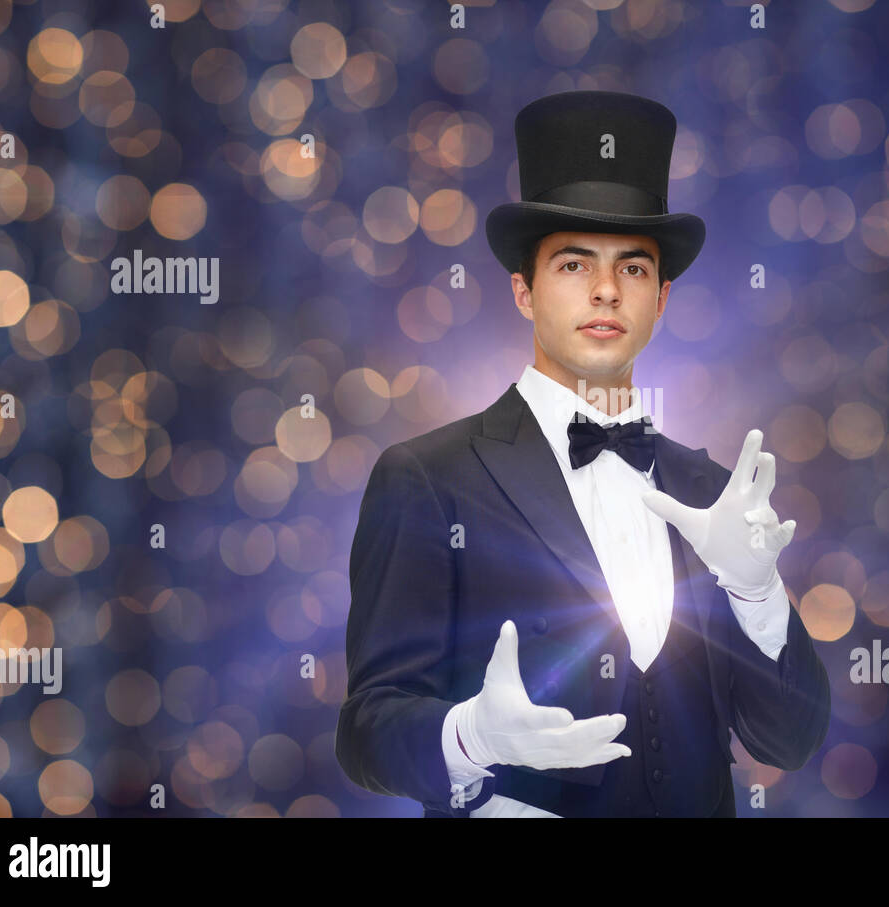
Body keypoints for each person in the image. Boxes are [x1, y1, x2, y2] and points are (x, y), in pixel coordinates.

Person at [337, 90, 830, 817]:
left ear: (661, 299)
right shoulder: (429, 479)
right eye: (573, 264)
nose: (605, 290)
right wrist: (470, 736)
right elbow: (366, 731)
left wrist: (757, 596)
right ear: (524, 291)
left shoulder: (711, 490)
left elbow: (788, 740)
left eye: (632, 269)